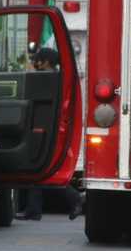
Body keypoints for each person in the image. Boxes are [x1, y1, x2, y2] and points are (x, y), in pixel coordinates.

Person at [16, 48, 84, 221]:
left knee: (39, 167)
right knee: (40, 169)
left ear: (45, 62)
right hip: (52, 128)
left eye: (38, 60)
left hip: (44, 128)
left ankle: (74, 197)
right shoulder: (59, 76)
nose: (35, 63)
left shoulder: (45, 78)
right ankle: (34, 209)